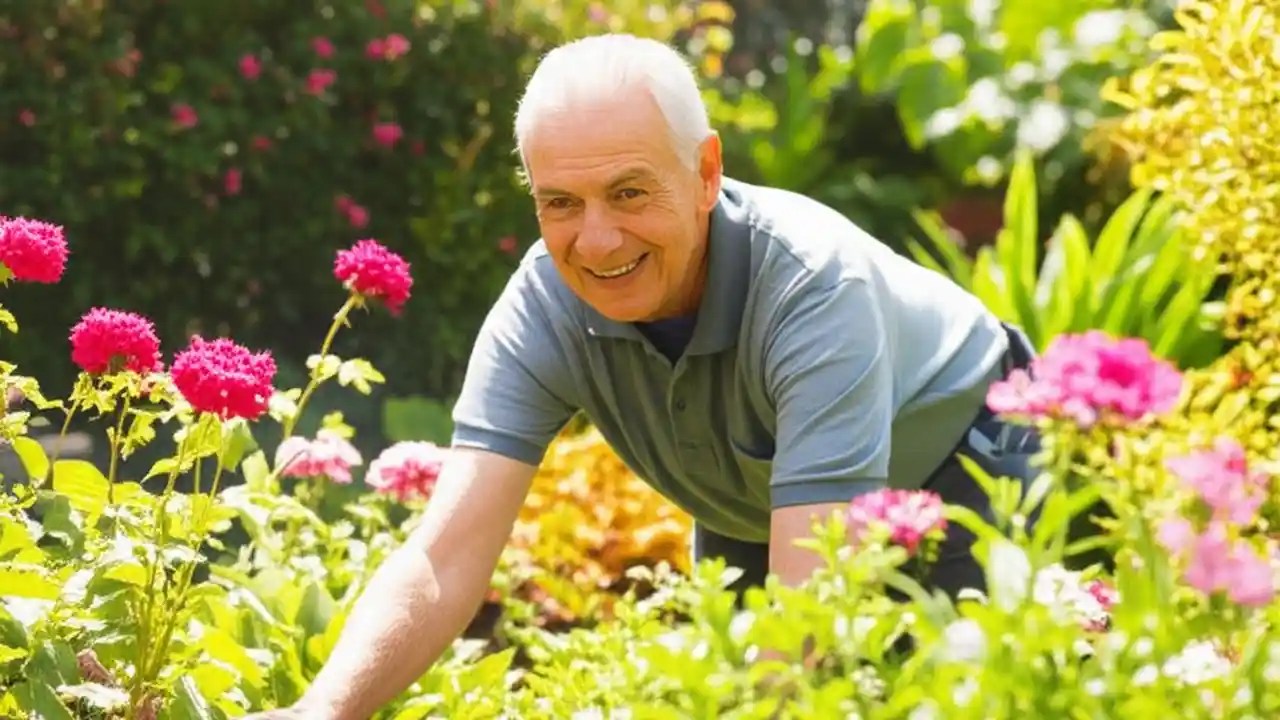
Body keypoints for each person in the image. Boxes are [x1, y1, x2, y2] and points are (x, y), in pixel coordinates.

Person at [246, 33, 1039, 719]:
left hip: (970, 457)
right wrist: (322, 708)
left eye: (628, 192)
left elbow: (807, 611)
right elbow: (442, 556)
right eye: (560, 202)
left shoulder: (813, 290)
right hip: (761, 500)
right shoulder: (544, 308)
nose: (595, 241)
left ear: (704, 173)